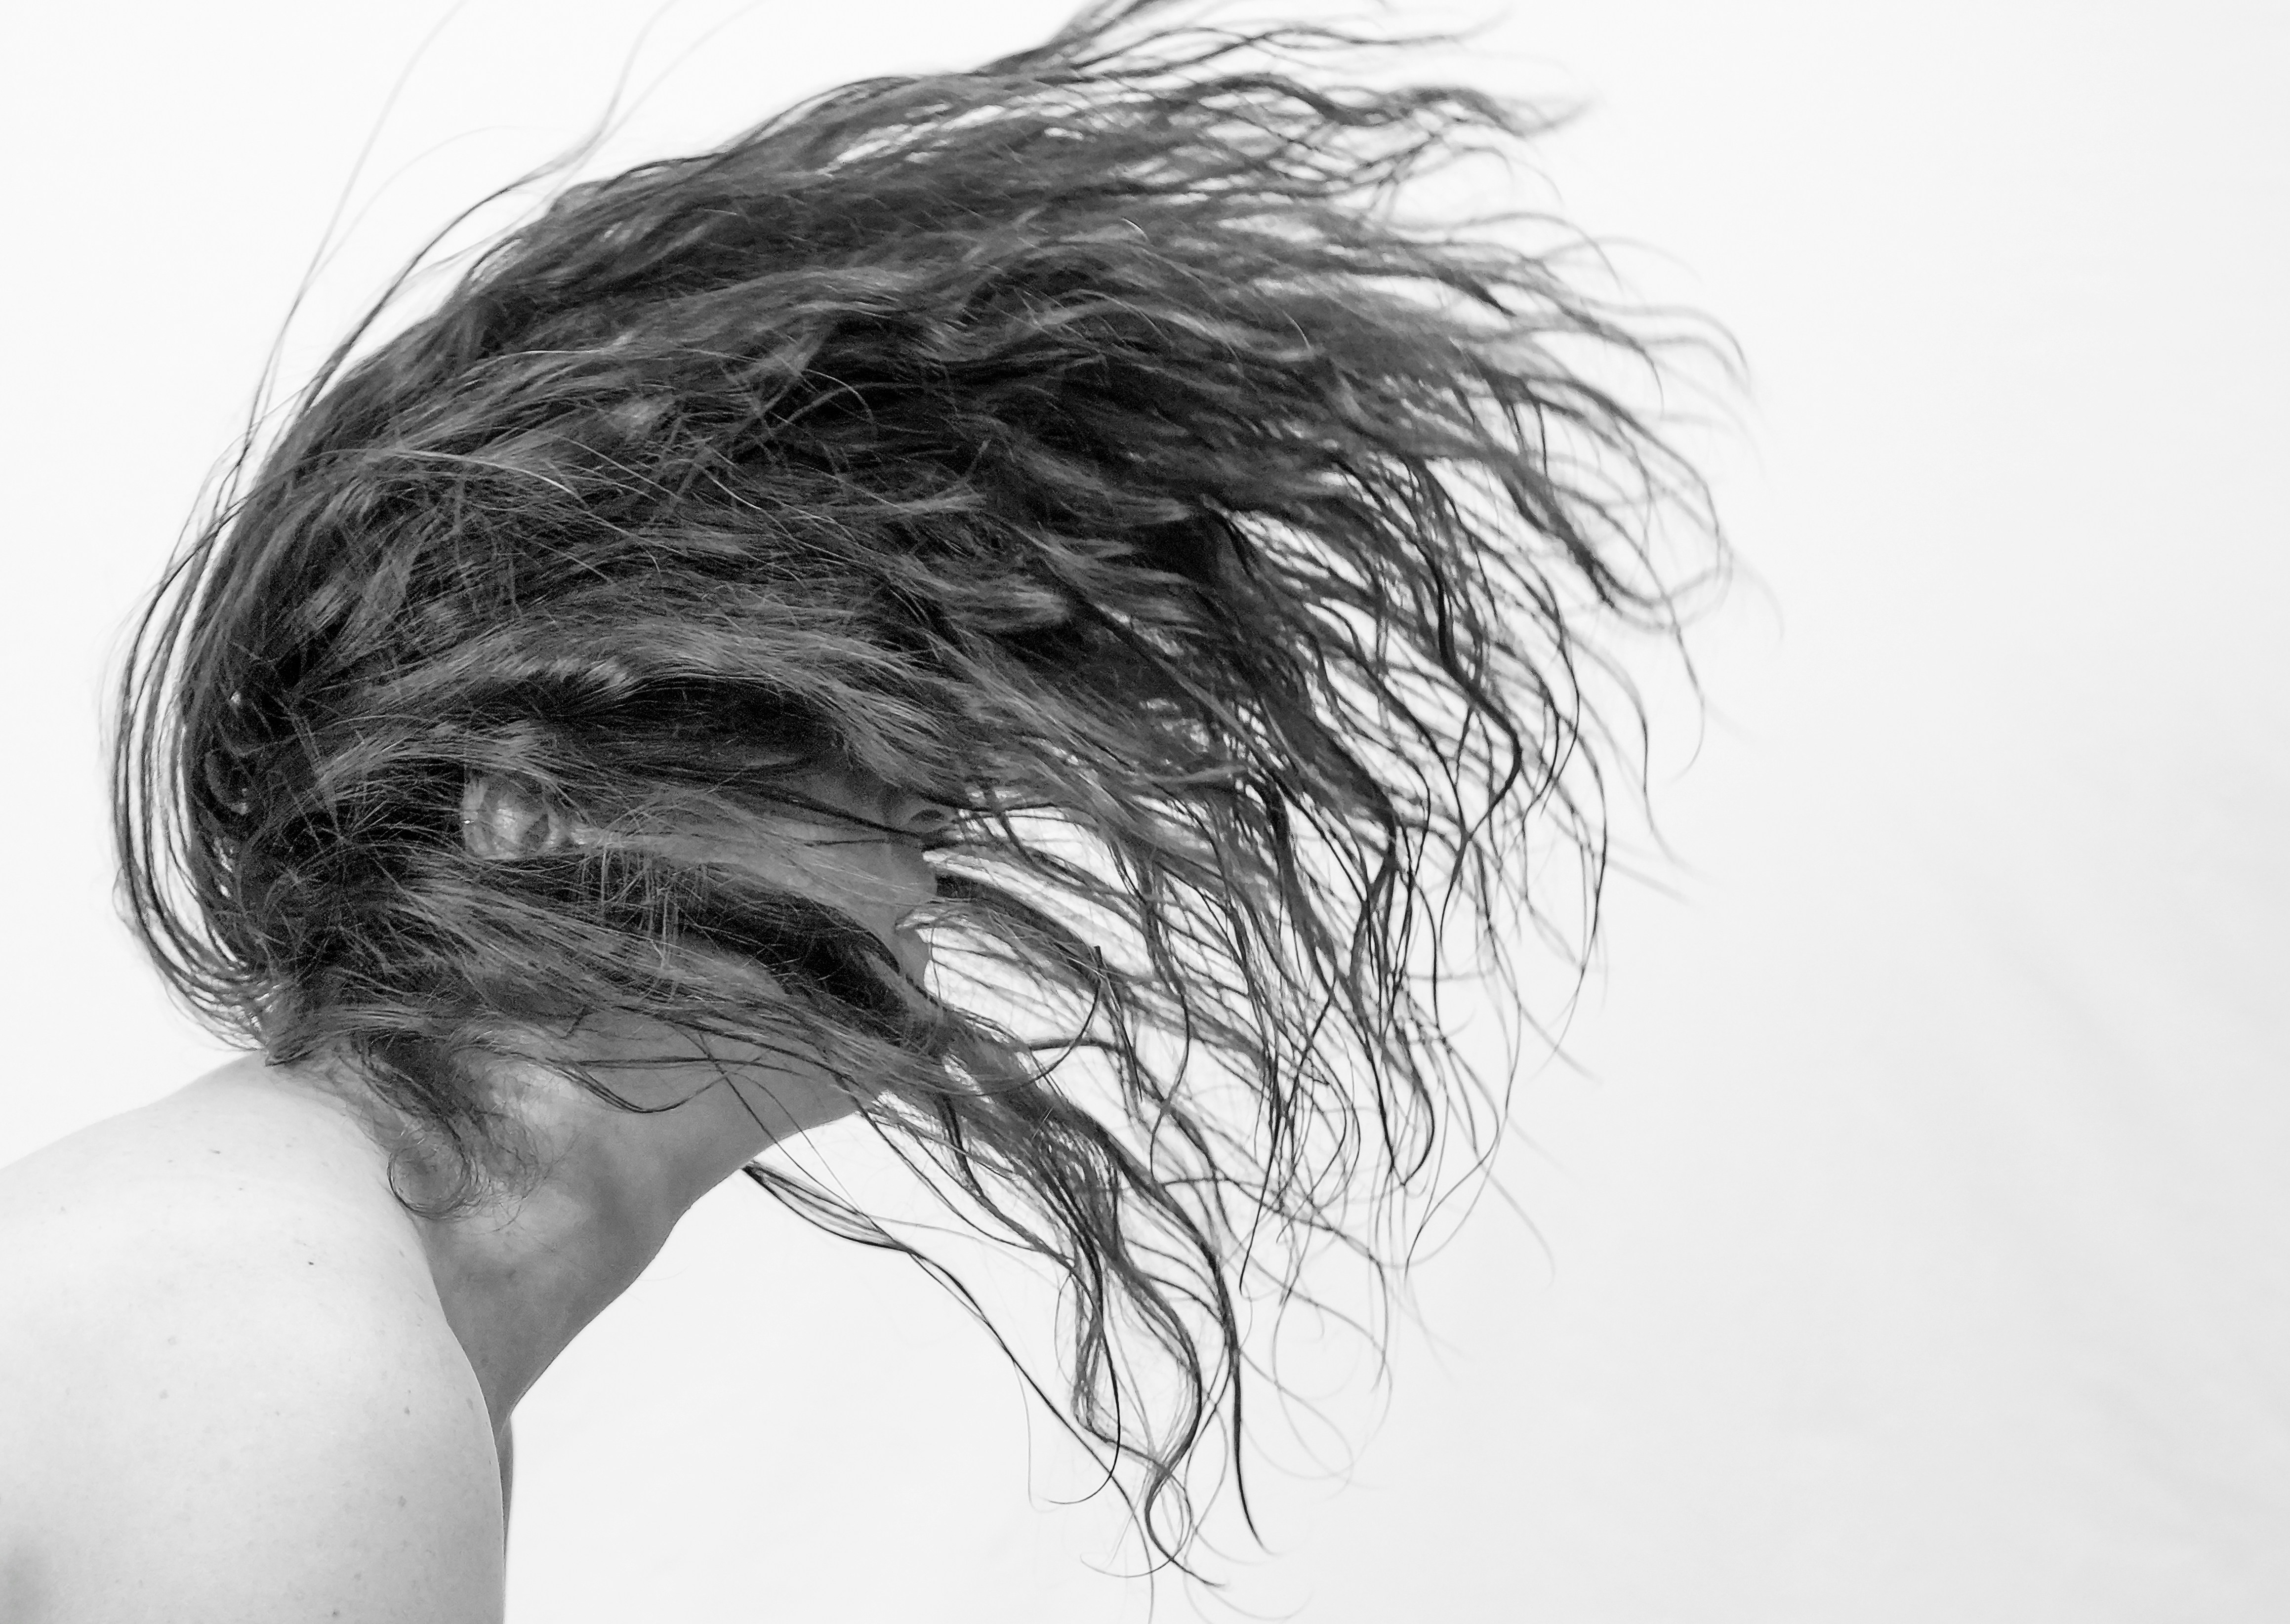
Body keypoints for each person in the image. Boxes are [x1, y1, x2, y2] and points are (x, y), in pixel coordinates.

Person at [0, 1, 1720, 1617]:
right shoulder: (284, 1362)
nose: (938, 841)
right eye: (852, 745)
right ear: (529, 812)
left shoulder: (320, 1296)